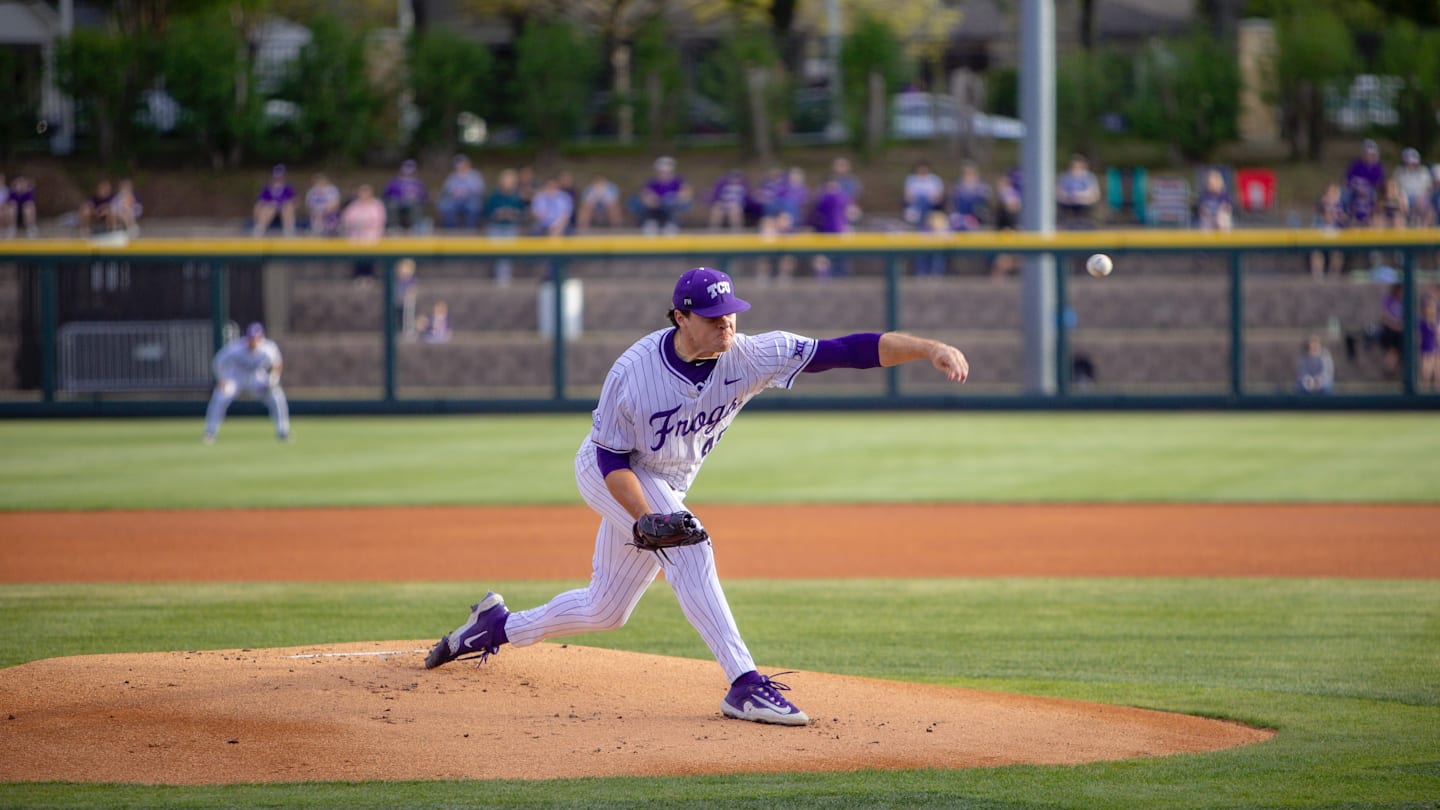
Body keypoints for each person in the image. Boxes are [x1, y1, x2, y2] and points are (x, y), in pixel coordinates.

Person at [422, 267, 969, 726]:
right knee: (691, 545)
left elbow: (849, 350)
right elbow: (612, 458)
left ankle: (496, 626)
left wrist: (930, 348)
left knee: (605, 609)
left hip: (667, 480)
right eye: (713, 315)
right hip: (612, 472)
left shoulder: (750, 355)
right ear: (680, 317)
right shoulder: (633, 374)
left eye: (731, 311)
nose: (727, 321)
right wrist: (645, 519)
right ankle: (744, 684)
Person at [203, 322, 289, 444]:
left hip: (256, 377)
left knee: (276, 395)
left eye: (256, 338)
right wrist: (221, 379)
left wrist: (273, 379)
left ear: (261, 337)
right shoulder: (235, 347)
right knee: (220, 396)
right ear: (247, 337)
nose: (253, 340)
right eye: (251, 337)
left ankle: (283, 431)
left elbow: (277, 364)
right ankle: (210, 432)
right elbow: (218, 362)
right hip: (235, 377)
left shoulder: (268, 348)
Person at [483, 168, 526, 285]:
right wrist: (499, 214)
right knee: (498, 250)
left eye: (511, 181)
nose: (508, 183)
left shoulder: (517, 196)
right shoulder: (494, 195)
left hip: (510, 227)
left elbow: (521, 214)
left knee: (507, 251)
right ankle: (500, 277)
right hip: (496, 227)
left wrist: (512, 214)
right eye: (506, 180)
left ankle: (504, 278)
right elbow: (488, 212)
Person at [631, 156, 693, 235]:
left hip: (672, 210)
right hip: (655, 210)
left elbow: (686, 193)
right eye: (662, 172)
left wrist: (675, 197)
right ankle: (651, 223)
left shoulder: (679, 181)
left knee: (672, 205)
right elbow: (644, 195)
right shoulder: (652, 183)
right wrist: (651, 199)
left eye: (667, 172)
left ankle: (671, 224)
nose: (664, 174)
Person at [340, 184, 386, 284]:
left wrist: (365, 223)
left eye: (366, 192)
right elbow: (346, 219)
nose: (363, 195)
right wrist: (357, 224)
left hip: (372, 235)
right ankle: (358, 275)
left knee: (370, 250)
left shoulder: (376, 204)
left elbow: (379, 220)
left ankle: (370, 275)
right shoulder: (354, 205)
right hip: (356, 235)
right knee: (356, 249)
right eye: (362, 192)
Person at [1343, 139, 1385, 228]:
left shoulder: (1378, 167)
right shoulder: (1356, 164)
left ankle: (1370, 218)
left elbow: (1380, 183)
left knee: (1373, 195)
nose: (1369, 156)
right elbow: (1347, 180)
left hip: (1371, 190)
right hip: (1355, 188)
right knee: (1345, 193)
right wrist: (1357, 187)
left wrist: (1366, 188)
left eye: (1371, 154)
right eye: (1367, 153)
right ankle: (1344, 215)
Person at [1310, 183, 1347, 280]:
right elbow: (1325, 219)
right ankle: (1318, 276)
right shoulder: (1321, 205)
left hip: (1336, 236)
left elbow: (1343, 222)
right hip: (1321, 235)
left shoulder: (1341, 206)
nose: (1333, 195)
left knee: (1337, 254)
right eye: (1331, 192)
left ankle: (1334, 276)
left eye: (1335, 192)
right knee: (1317, 253)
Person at [438, 154, 485, 230]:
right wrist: (454, 192)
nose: (459, 166)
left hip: (470, 199)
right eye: (457, 164)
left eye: (462, 163)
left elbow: (479, 189)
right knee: (445, 206)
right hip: (455, 199)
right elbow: (446, 189)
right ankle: (451, 231)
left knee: (474, 206)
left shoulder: (475, 175)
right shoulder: (452, 176)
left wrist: (466, 192)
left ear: (467, 164)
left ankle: (470, 231)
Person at [1056, 154, 1100, 229]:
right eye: (1074, 165)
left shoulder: (1089, 177)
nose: (1076, 167)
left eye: (1079, 165)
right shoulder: (1065, 177)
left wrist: (1082, 197)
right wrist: (1068, 197)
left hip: (1085, 204)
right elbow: (1059, 192)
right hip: (1068, 203)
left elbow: (1095, 194)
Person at [384, 159, 428, 233]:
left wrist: (416, 197)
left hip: (412, 203)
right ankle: (393, 226)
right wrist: (397, 197)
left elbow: (424, 196)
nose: (408, 170)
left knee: (415, 204)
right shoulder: (395, 181)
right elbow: (387, 194)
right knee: (392, 205)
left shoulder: (418, 183)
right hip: (398, 202)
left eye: (410, 167)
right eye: (406, 167)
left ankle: (415, 226)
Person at [1393, 148, 1435, 228]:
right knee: (1400, 205)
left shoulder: (1424, 172)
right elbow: (1396, 189)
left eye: (1413, 162)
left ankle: (1424, 232)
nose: (1411, 165)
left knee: (1428, 209)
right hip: (1403, 200)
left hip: (1421, 200)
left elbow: (1429, 189)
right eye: (1409, 163)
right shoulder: (1399, 172)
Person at [252, 165, 297, 237]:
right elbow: (260, 202)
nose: (278, 179)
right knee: (268, 208)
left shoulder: (288, 188)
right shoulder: (267, 189)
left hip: (284, 210)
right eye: (276, 177)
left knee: (287, 207)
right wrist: (258, 211)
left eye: (280, 177)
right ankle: (260, 228)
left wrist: (288, 204)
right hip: (270, 211)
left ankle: (289, 229)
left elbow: (295, 201)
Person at [949, 161, 991, 232]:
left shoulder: (982, 186)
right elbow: (953, 201)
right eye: (966, 173)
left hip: (976, 214)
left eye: (970, 173)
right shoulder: (958, 186)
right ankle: (963, 221)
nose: (968, 175)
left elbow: (986, 200)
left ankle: (970, 222)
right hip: (961, 214)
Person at [902, 161, 944, 227]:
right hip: (915, 203)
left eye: (924, 169)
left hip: (930, 204)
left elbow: (938, 196)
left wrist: (931, 199)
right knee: (919, 201)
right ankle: (921, 222)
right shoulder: (911, 179)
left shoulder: (935, 179)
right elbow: (907, 196)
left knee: (923, 201)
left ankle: (920, 222)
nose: (922, 171)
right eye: (920, 169)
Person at [5, 174, 39, 238]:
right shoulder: (12, 193)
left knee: (28, 208)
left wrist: (23, 192)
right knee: (11, 208)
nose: (21, 185)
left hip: (25, 213)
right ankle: (11, 228)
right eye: (19, 183)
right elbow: (10, 202)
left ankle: (30, 227)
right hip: (15, 214)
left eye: (22, 183)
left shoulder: (28, 192)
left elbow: (30, 202)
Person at [1419, 293, 1439, 391]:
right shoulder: (1423, 322)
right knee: (1426, 366)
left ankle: (1436, 384)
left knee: (1437, 366)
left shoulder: (1436, 321)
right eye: (1429, 307)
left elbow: (1438, 335)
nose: (1431, 309)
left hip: (1435, 347)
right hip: (1427, 346)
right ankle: (1425, 385)